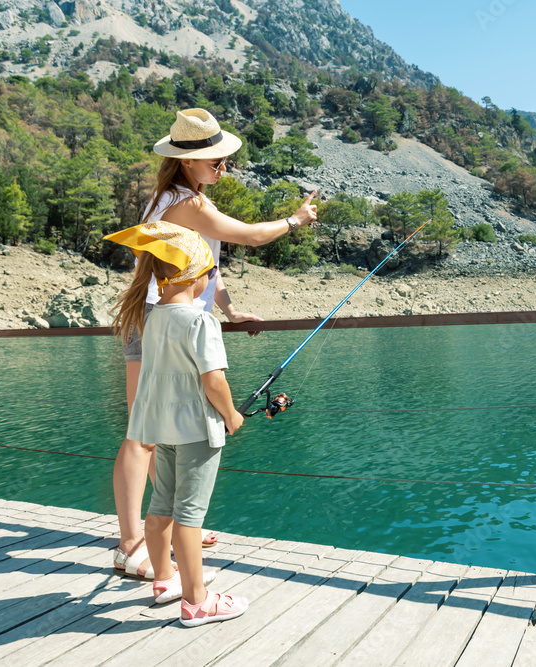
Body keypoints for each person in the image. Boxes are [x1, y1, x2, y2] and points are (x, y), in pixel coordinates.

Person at [112, 108, 318, 579]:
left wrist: (228, 310)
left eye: (225, 160)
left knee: (162, 431)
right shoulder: (188, 204)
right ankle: (130, 544)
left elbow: (208, 265)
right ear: (187, 162)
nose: (223, 168)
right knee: (143, 435)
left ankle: (173, 521)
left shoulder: (177, 198)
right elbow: (249, 236)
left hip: (168, 319)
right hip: (158, 321)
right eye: (215, 162)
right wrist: (296, 218)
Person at [106, 220, 248, 625]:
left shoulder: (154, 318)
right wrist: (232, 415)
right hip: (196, 432)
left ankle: (165, 579)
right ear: (195, 276)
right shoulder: (201, 321)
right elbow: (213, 381)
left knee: (161, 507)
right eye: (210, 273)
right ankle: (196, 601)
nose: (209, 281)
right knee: (190, 516)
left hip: (161, 429)